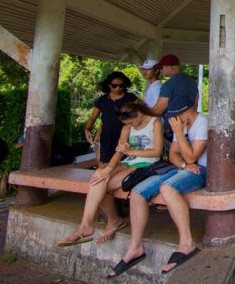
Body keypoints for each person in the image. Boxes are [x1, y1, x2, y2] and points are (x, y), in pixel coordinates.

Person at [109, 93, 206, 277]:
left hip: (202, 169)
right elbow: (174, 156)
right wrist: (184, 164)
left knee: (167, 188)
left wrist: (179, 134)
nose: (173, 119)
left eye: (176, 114)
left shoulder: (202, 123)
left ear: (187, 109)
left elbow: (193, 156)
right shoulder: (181, 123)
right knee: (137, 193)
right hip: (182, 167)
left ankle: (187, 243)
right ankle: (135, 247)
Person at [59, 99, 163, 247]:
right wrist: (107, 170)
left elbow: (157, 152)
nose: (128, 125)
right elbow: (119, 152)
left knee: (101, 185)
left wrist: (129, 151)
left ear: (139, 114)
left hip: (148, 163)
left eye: (130, 122)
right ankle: (86, 224)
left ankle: (108, 221)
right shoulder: (127, 127)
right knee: (98, 177)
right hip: (130, 161)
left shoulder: (155, 123)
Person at [85, 71, 138, 166]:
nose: (118, 88)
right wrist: (87, 129)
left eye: (121, 85)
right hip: (107, 135)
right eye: (114, 85)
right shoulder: (102, 100)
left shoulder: (131, 98)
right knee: (104, 163)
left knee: (122, 162)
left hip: (125, 134)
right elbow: (93, 117)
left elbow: (143, 111)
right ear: (109, 86)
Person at [149, 54, 198, 128]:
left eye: (162, 67)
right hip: (191, 124)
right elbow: (196, 103)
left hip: (173, 126)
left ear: (171, 67)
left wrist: (141, 112)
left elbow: (158, 110)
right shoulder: (192, 81)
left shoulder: (170, 83)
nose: (161, 70)